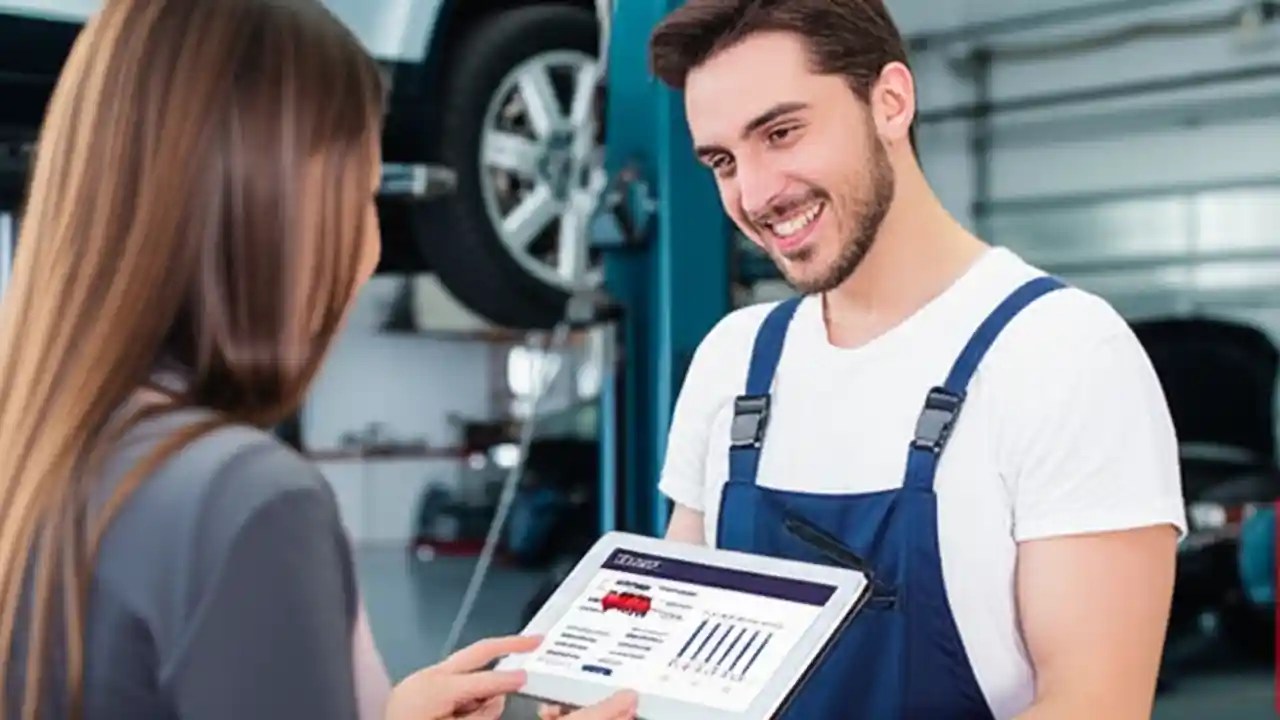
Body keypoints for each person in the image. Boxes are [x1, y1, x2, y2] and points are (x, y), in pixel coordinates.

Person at [548, 1, 1188, 718]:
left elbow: (1096, 705)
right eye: (724, 161)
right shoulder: (735, 360)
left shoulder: (1062, 355)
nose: (755, 195)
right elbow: (675, 676)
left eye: (782, 132)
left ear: (890, 101)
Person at [0, 1, 638, 719]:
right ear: (281, 208)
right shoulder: (245, 499)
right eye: (364, 196)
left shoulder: (45, 450)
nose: (369, 250)